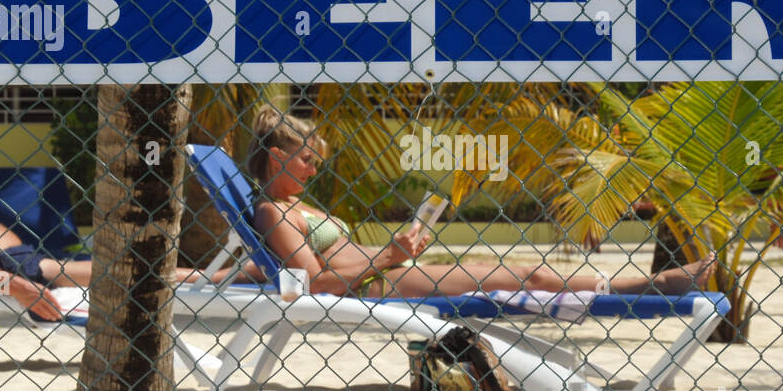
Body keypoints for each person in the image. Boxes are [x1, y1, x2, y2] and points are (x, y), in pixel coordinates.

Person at [247, 106, 716, 298]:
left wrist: (396, 248)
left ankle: (638, 285)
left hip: (392, 268)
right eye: (306, 160)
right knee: (524, 274)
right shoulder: (273, 210)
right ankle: (642, 287)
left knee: (511, 266)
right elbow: (310, 284)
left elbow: (242, 272)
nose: (314, 169)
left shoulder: (297, 207)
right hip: (382, 283)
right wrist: (390, 255)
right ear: (275, 157)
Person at [0, 117, 244, 322]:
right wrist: (15, 285)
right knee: (130, 268)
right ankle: (225, 277)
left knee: (129, 266)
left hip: (24, 260)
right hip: (20, 267)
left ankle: (219, 275)